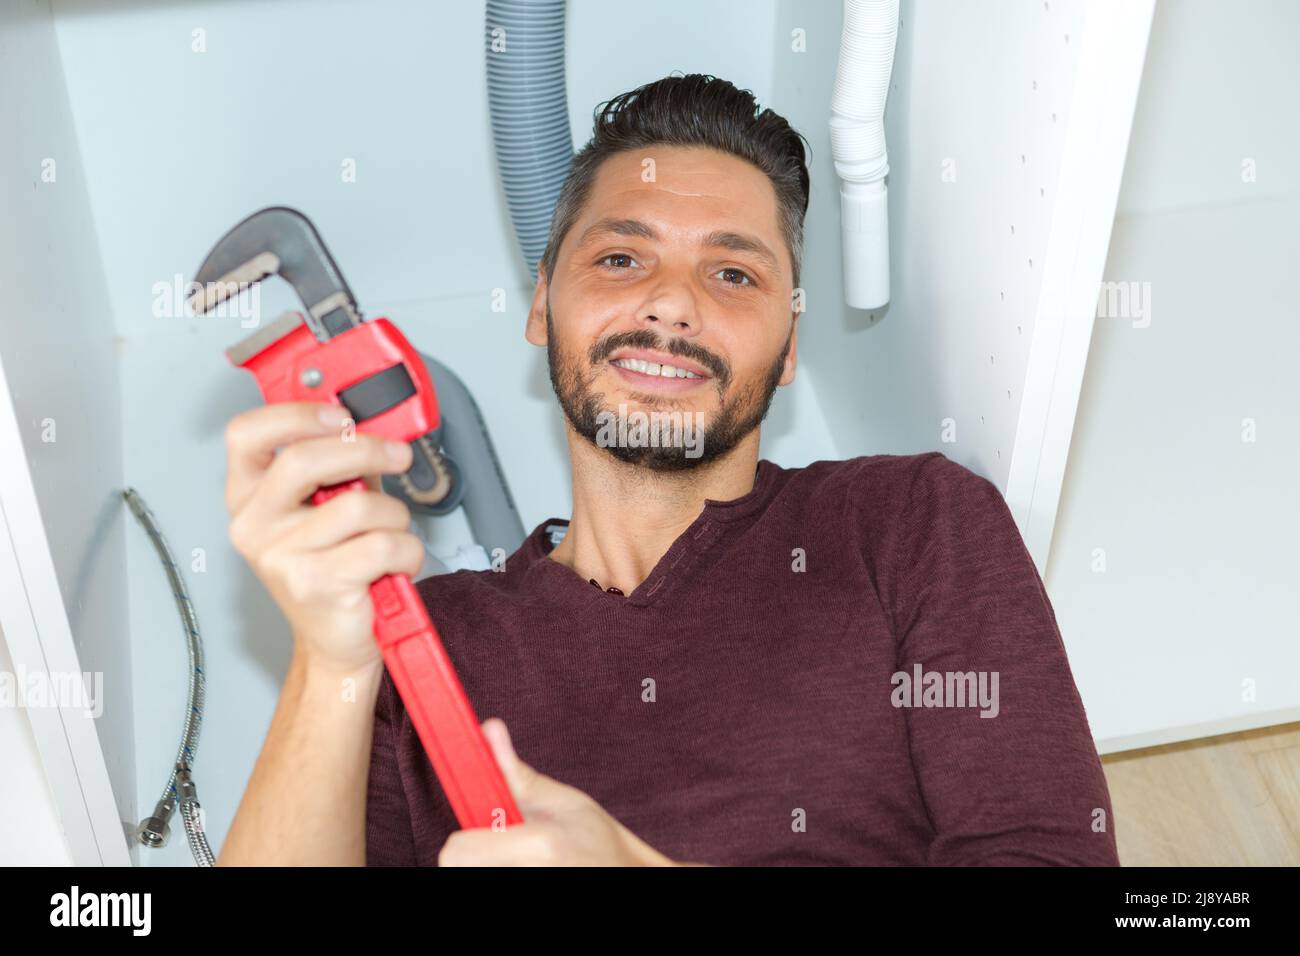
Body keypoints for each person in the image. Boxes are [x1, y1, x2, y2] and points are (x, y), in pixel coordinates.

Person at [217, 73, 1120, 866]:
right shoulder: (422, 641)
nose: (672, 303)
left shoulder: (908, 522)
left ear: (791, 344)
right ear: (542, 305)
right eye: (620, 258)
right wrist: (331, 662)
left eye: (733, 274)